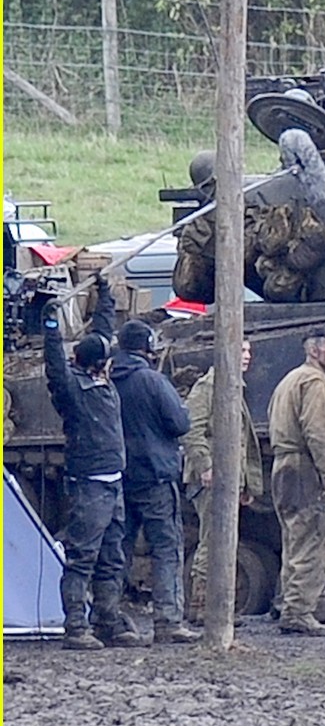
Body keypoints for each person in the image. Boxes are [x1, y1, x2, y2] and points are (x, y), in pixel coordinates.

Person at [42, 278, 146, 649]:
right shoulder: (72, 389)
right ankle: (76, 627)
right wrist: (51, 325)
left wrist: (106, 297)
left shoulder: (104, 381)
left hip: (112, 482)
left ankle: (107, 619)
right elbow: (55, 364)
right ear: (100, 364)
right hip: (89, 483)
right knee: (83, 557)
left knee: (113, 557)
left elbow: (103, 332)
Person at [111, 318, 198, 644]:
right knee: (166, 547)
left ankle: (109, 617)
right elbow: (179, 423)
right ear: (147, 346)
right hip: (155, 474)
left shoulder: (107, 378)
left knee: (118, 548)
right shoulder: (152, 380)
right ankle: (167, 620)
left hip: (120, 474)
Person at [267, 326, 325, 636]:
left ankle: (288, 603)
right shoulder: (315, 382)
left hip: (283, 464)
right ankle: (298, 611)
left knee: (294, 539)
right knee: (312, 538)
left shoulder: (289, 380)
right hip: (304, 468)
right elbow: (317, 430)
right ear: (314, 350)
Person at [182, 338, 264, 624]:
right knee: (212, 540)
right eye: (241, 350)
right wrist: (204, 466)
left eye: (248, 351)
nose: (247, 357)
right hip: (211, 478)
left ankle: (213, 607)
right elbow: (191, 429)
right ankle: (201, 605)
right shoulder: (209, 387)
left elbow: (242, 442)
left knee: (222, 540)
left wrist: (245, 483)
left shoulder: (233, 388)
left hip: (228, 478)